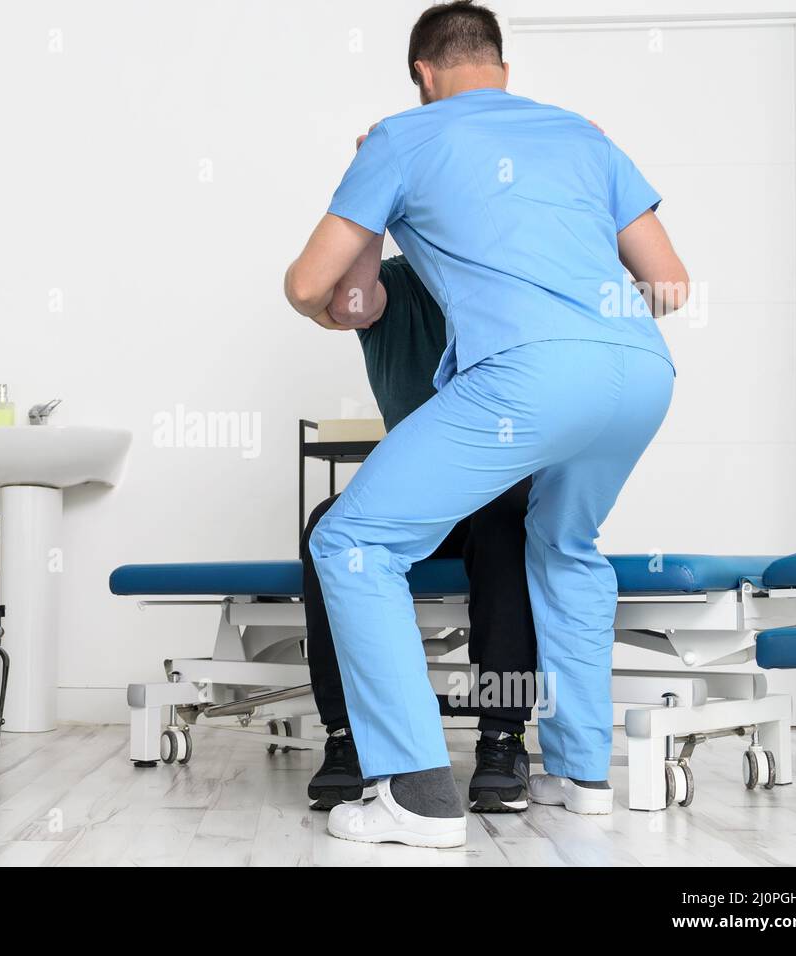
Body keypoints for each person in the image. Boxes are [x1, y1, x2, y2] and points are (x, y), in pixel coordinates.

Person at [283, 0, 687, 847]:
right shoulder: (583, 135)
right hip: (641, 372)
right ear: (501, 64)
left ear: (423, 74)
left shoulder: (402, 135)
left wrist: (373, 179)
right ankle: (583, 779)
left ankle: (419, 799)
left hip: (531, 377)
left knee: (351, 542)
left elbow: (307, 287)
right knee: (565, 548)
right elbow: (669, 285)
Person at [302, 248, 536, 815]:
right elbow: (352, 306)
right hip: (414, 493)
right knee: (327, 524)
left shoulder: (507, 273)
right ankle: (346, 738)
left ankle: (503, 739)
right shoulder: (385, 282)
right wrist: (375, 182)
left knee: (507, 516)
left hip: (495, 489)